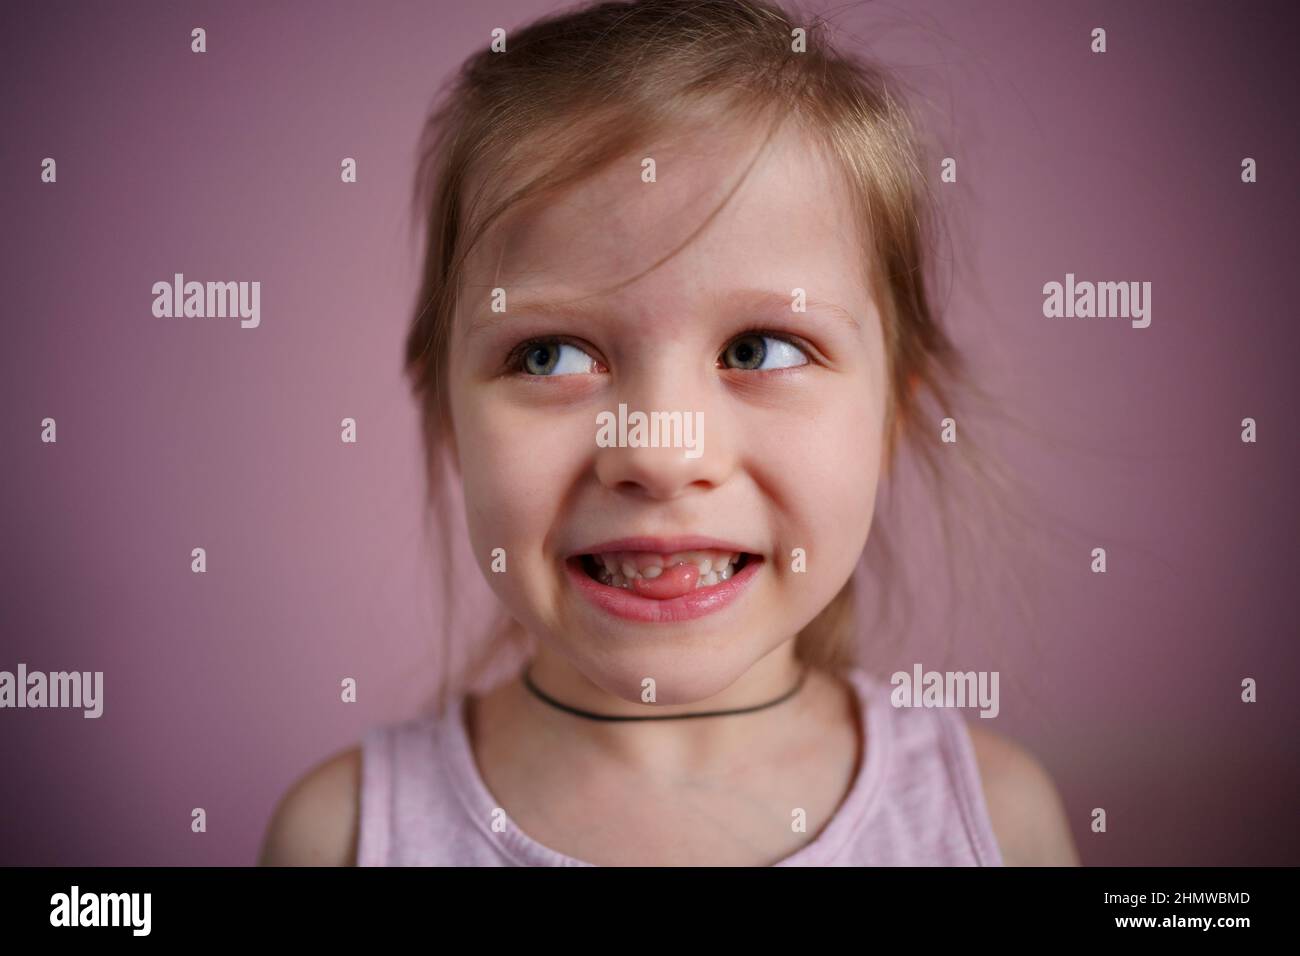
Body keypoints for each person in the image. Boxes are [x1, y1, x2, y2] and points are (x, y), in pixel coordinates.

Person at [260, 0, 1079, 867]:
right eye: (548, 356)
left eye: (760, 348)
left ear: (890, 419)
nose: (659, 452)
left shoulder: (992, 822)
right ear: (447, 424)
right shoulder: (343, 839)